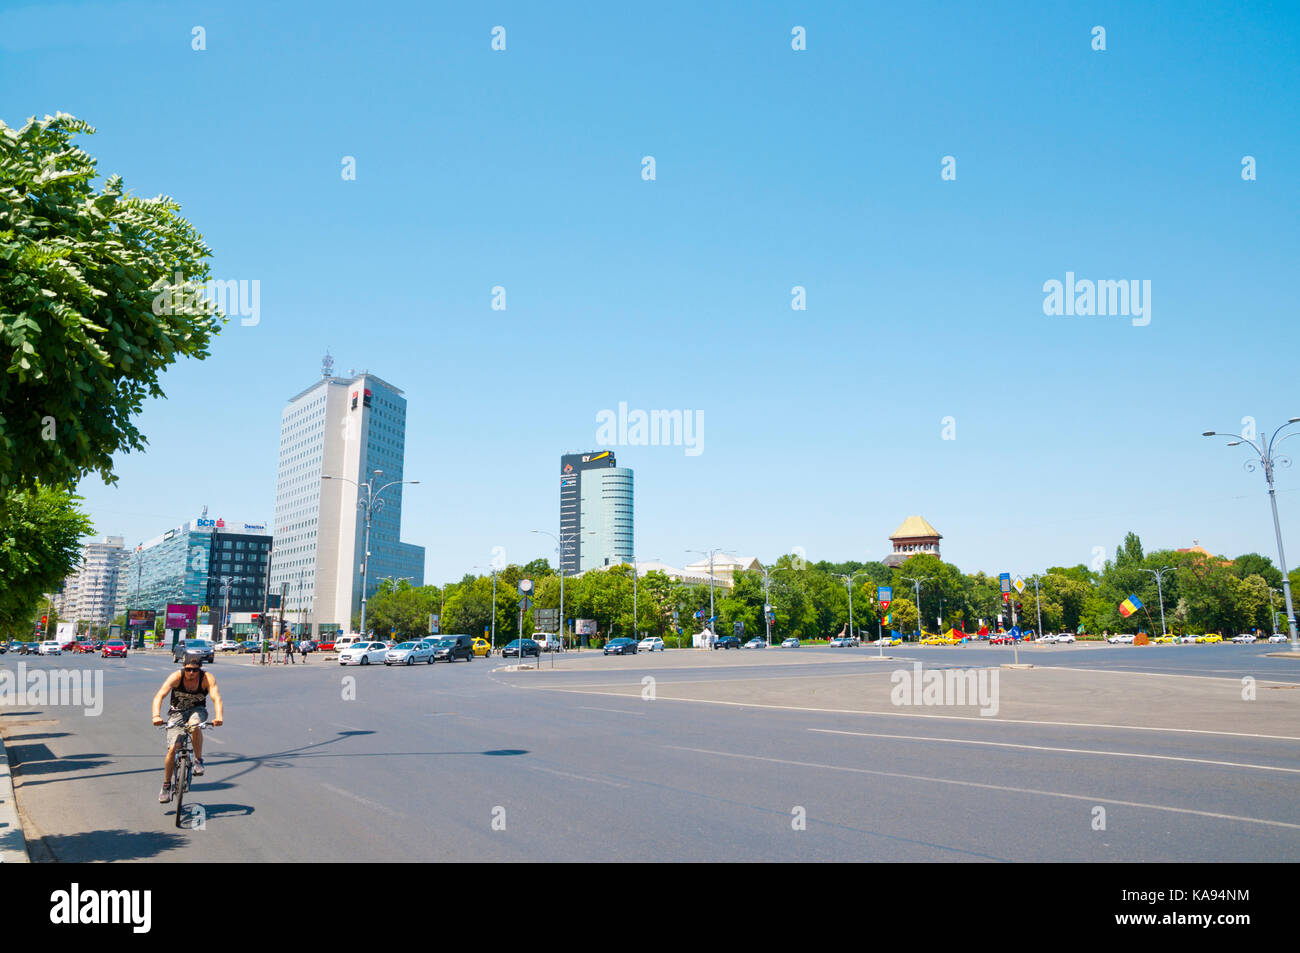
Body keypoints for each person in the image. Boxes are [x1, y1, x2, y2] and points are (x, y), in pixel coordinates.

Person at [152, 650, 223, 803]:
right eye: (188, 669)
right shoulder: (176, 677)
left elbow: (216, 698)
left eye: (195, 670)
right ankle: (166, 785)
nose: (191, 673)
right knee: (173, 748)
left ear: (200, 669)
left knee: (194, 725)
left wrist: (219, 717)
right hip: (177, 712)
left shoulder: (207, 678)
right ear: (184, 668)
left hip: (198, 710)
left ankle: (198, 760)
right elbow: (160, 695)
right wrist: (156, 716)